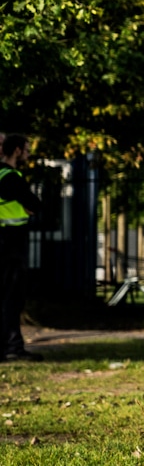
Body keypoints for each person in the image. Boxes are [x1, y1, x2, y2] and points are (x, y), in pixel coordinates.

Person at [0, 134, 42, 361]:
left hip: (4, 242)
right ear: (16, 151)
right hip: (10, 244)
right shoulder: (11, 177)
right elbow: (35, 205)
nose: (27, 154)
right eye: (26, 150)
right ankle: (13, 347)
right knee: (12, 298)